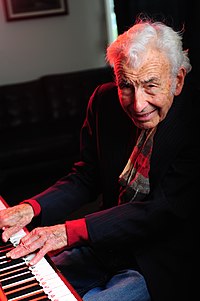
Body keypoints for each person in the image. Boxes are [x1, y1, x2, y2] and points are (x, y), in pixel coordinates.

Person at [0, 17, 199, 301]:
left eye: (151, 86)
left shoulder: (194, 121)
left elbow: (161, 210)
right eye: (126, 85)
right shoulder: (104, 101)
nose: (138, 104)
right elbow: (85, 177)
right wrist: (30, 208)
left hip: (160, 262)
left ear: (177, 80)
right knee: (17, 273)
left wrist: (68, 232)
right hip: (106, 243)